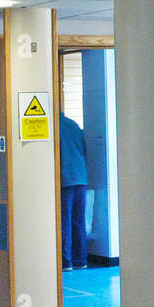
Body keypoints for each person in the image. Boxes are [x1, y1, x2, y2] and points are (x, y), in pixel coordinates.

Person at [58, 111, 88, 270]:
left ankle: (65, 261)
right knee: (79, 221)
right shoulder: (73, 125)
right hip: (81, 179)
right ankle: (81, 259)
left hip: (65, 180)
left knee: (65, 221)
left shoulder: (54, 127)